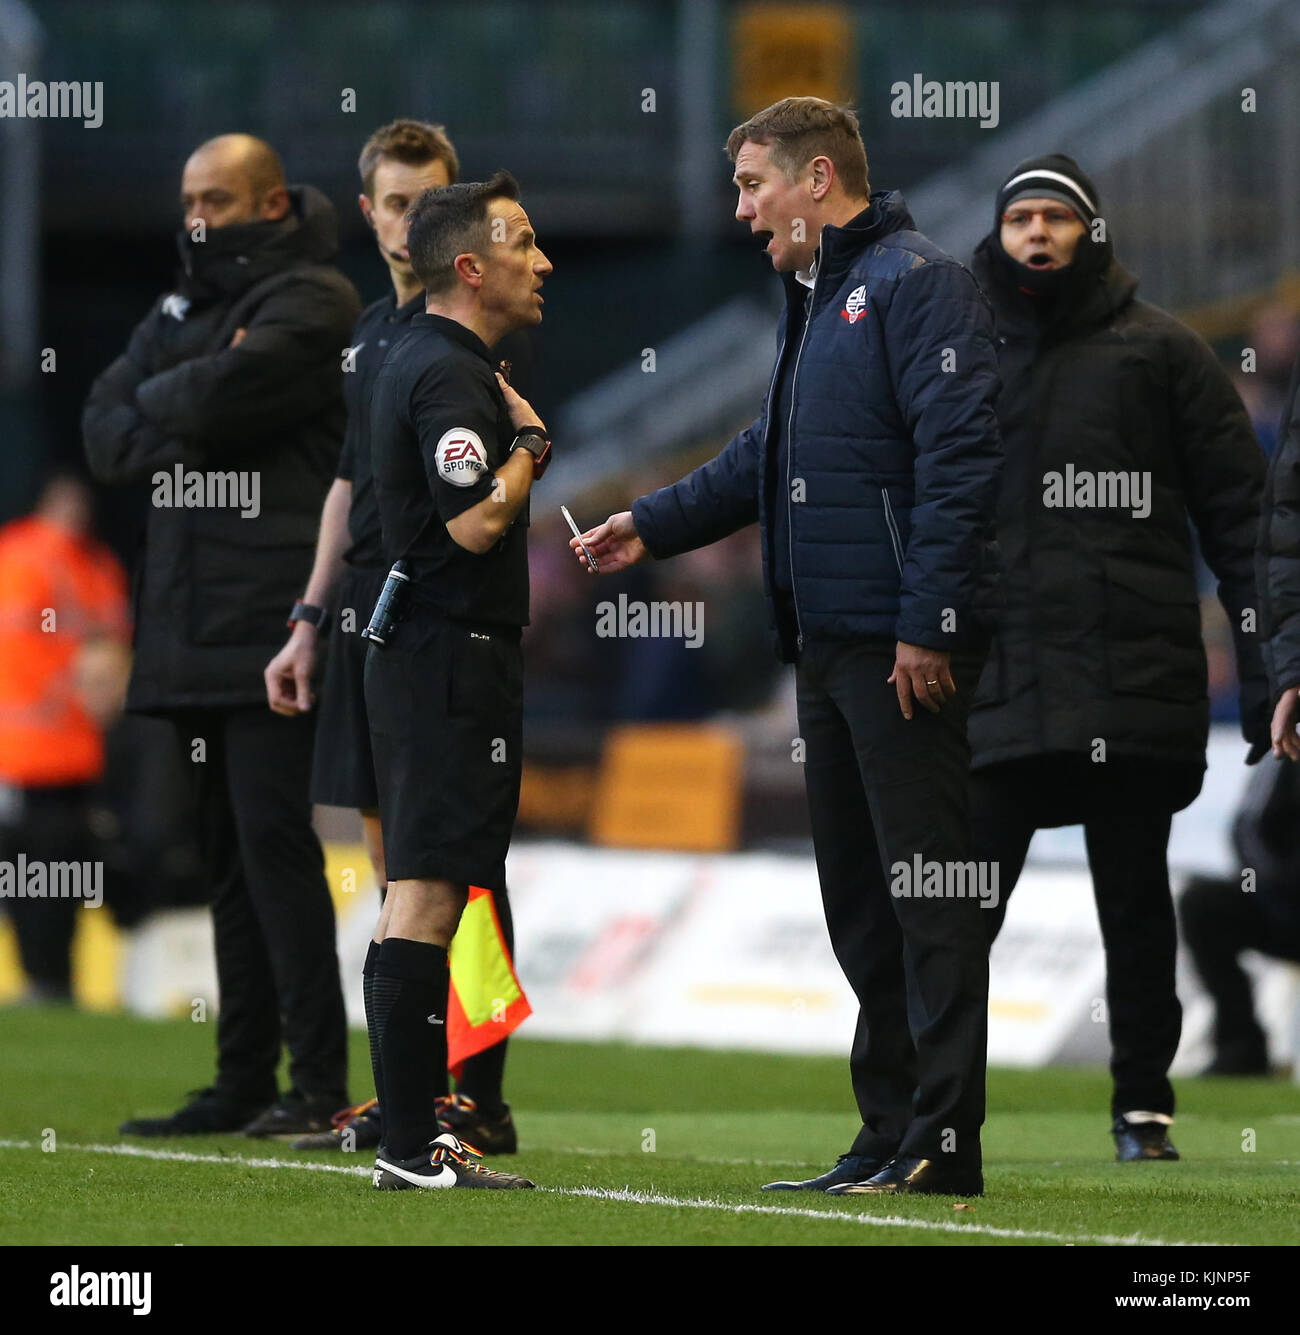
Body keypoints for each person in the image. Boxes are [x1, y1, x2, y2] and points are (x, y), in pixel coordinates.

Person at [574, 98, 1001, 1198]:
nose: (741, 210)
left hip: (896, 647)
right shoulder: (818, 297)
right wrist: (654, 523)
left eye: (754, 184)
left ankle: (942, 1145)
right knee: (860, 899)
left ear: (818, 179)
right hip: (824, 645)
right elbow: (766, 451)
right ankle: (887, 1132)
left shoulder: (917, 284)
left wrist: (927, 621)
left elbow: (962, 463)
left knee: (927, 893)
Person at [965, 155, 1269, 1161]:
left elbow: (1244, 523)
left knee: (1133, 906)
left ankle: (1142, 1109)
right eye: (1021, 220)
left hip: (1131, 682)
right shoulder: (952, 350)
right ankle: (937, 1111)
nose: (1039, 234)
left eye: (1057, 217)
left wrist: (1271, 667)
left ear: (1090, 233)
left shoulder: (1163, 353)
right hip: (995, 681)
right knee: (958, 912)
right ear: (999, 235)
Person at [82, 134, 361, 1137]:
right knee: (225, 863)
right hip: (187, 623)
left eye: (219, 198)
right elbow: (103, 426)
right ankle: (241, 1076)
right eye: (189, 197)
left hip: (266, 621)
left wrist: (176, 396)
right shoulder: (185, 307)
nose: (198, 217)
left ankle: (318, 1085)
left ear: (270, 201)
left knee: (276, 852)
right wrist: (186, 398)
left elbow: (201, 400)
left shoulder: (317, 300)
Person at [260, 121, 526, 1157]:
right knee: (401, 861)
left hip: (438, 613)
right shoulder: (373, 336)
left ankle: (471, 1089)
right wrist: (310, 615)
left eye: (434, 200)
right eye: (399, 200)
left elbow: (472, 513)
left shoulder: (475, 336)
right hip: (380, 614)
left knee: (453, 868)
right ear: (369, 213)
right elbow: (348, 486)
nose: (414, 217)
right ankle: (416, 1099)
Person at [363, 171, 551, 1190]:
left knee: (414, 896)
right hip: (446, 657)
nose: (544, 261)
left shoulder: (420, 358)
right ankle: (410, 1145)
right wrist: (528, 448)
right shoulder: (448, 374)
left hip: (427, 653)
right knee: (428, 900)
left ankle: (409, 1136)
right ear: (470, 267)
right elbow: (476, 516)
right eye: (522, 243)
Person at [0, 471, 130, 1003]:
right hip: (48, 754)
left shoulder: (72, 562)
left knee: (41, 878)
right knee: (46, 877)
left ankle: (48, 980)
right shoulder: (62, 562)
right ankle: (47, 978)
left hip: (58, 755)